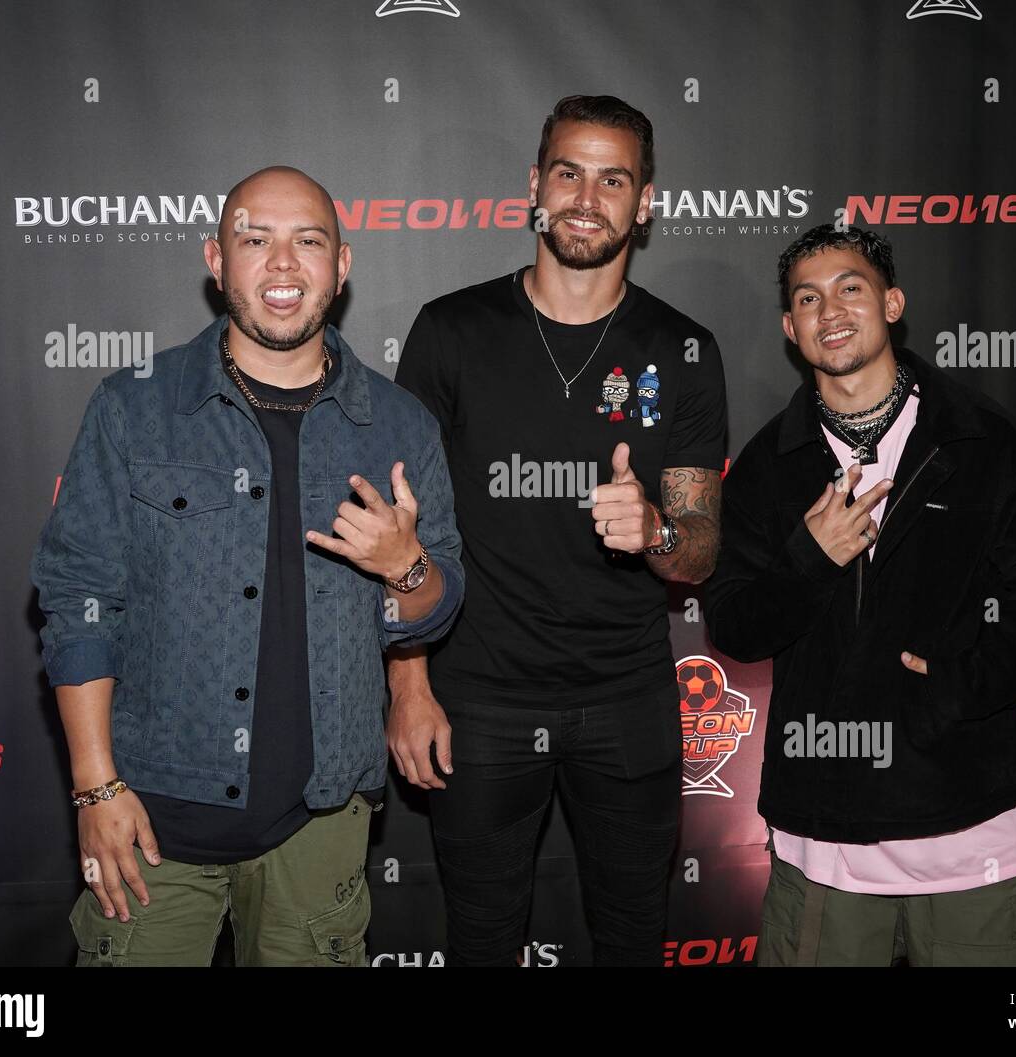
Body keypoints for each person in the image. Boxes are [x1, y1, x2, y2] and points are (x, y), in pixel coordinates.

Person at [30, 166, 463, 966]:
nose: (283, 264)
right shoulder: (135, 405)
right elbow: (79, 598)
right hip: (151, 820)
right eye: (254, 239)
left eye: (308, 241)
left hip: (319, 824)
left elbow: (437, 604)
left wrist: (406, 567)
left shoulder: (399, 425)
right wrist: (94, 787)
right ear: (216, 260)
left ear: (343, 264)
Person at [387, 95, 727, 966]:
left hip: (629, 697)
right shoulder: (450, 330)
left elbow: (697, 552)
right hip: (480, 696)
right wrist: (410, 685)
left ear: (644, 202)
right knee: (483, 940)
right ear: (534, 186)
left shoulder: (685, 349)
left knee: (631, 940)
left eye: (613, 179)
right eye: (568, 173)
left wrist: (654, 529)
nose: (587, 197)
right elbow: (401, 536)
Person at [705, 224, 1016, 966]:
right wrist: (809, 560)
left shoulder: (982, 441)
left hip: (970, 826)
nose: (831, 310)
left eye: (850, 287)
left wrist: (960, 688)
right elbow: (734, 622)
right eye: (807, 298)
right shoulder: (767, 466)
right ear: (790, 327)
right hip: (825, 842)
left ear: (892, 302)